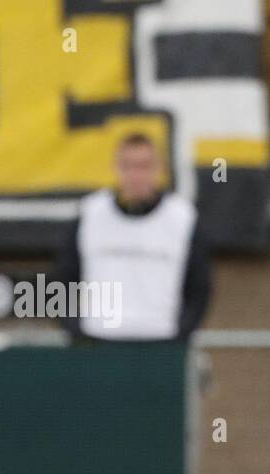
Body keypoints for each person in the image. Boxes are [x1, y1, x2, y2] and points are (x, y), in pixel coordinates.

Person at [54, 132, 210, 341]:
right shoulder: (91, 213)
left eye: (144, 166)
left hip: (161, 342)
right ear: (116, 168)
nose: (135, 175)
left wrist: (181, 332)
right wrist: (76, 329)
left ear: (159, 169)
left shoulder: (182, 217)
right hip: (98, 341)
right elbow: (62, 277)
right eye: (128, 165)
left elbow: (199, 287)